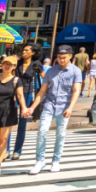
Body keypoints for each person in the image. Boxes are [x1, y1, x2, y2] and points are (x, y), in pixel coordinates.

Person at [23, 45, 83, 174]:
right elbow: (42, 91)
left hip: (65, 106)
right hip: (49, 104)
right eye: (59, 58)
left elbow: (76, 90)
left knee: (60, 134)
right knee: (42, 131)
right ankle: (40, 160)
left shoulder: (76, 71)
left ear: (70, 56)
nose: (61, 60)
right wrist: (32, 107)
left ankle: (56, 160)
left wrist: (71, 108)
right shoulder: (50, 71)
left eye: (64, 58)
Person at [0, 56, 28, 176]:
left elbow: (20, 96)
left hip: (9, 111)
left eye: (11, 64)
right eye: (5, 64)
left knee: (3, 139)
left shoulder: (16, 80)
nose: (7, 66)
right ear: (1, 65)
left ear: (14, 67)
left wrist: (24, 108)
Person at [12, 44, 44, 161]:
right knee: (9, 122)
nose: (24, 52)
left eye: (27, 50)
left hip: (28, 93)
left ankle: (17, 151)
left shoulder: (36, 64)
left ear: (33, 53)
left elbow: (44, 78)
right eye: (23, 50)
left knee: (22, 122)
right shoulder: (17, 62)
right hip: (14, 93)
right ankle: (5, 149)